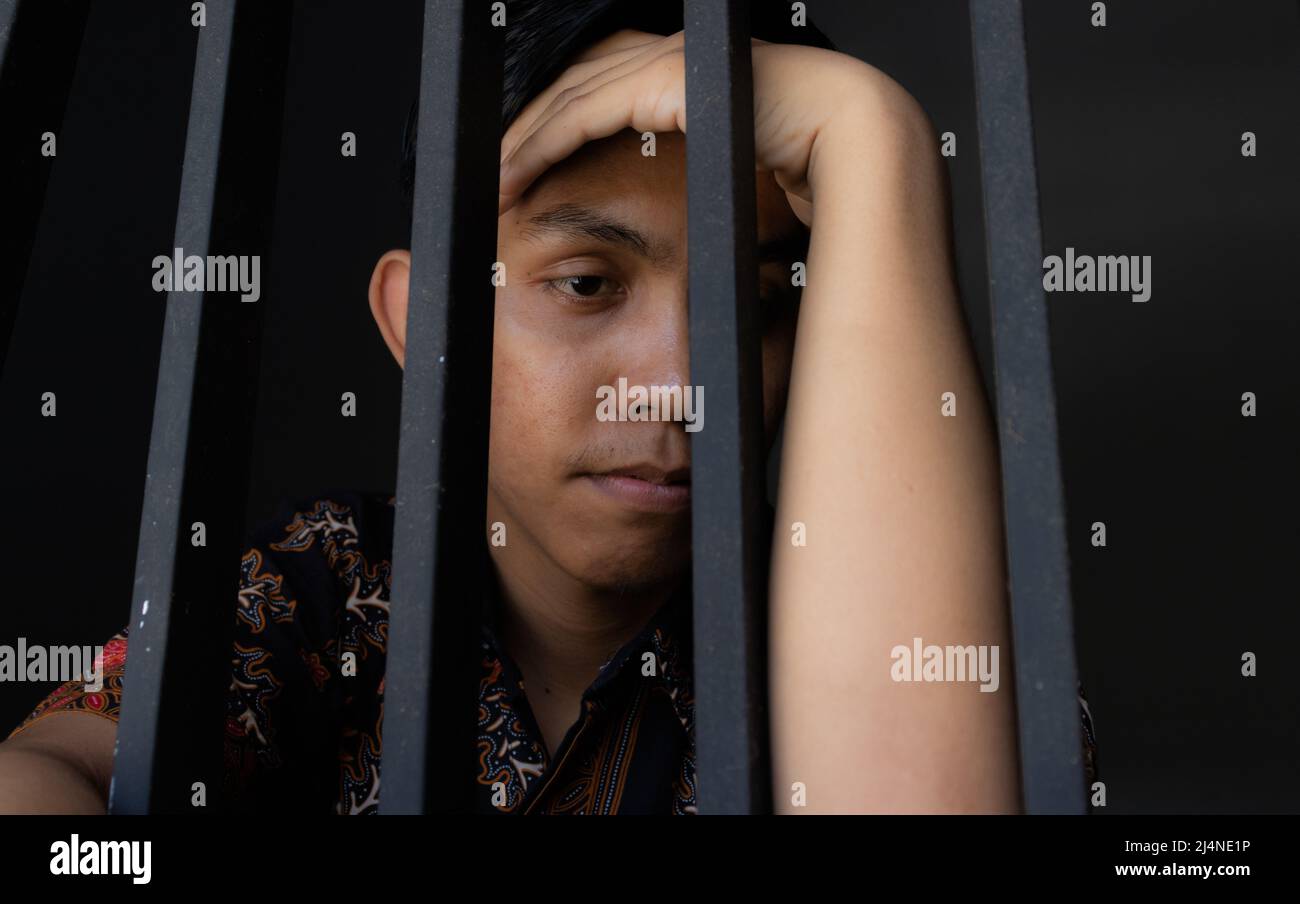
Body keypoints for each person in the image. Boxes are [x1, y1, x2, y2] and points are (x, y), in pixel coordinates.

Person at [0, 0, 1098, 814]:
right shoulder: (327, 588)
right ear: (422, 321)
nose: (677, 380)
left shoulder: (882, 620)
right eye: (585, 283)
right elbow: (54, 775)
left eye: (754, 301)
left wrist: (872, 139)